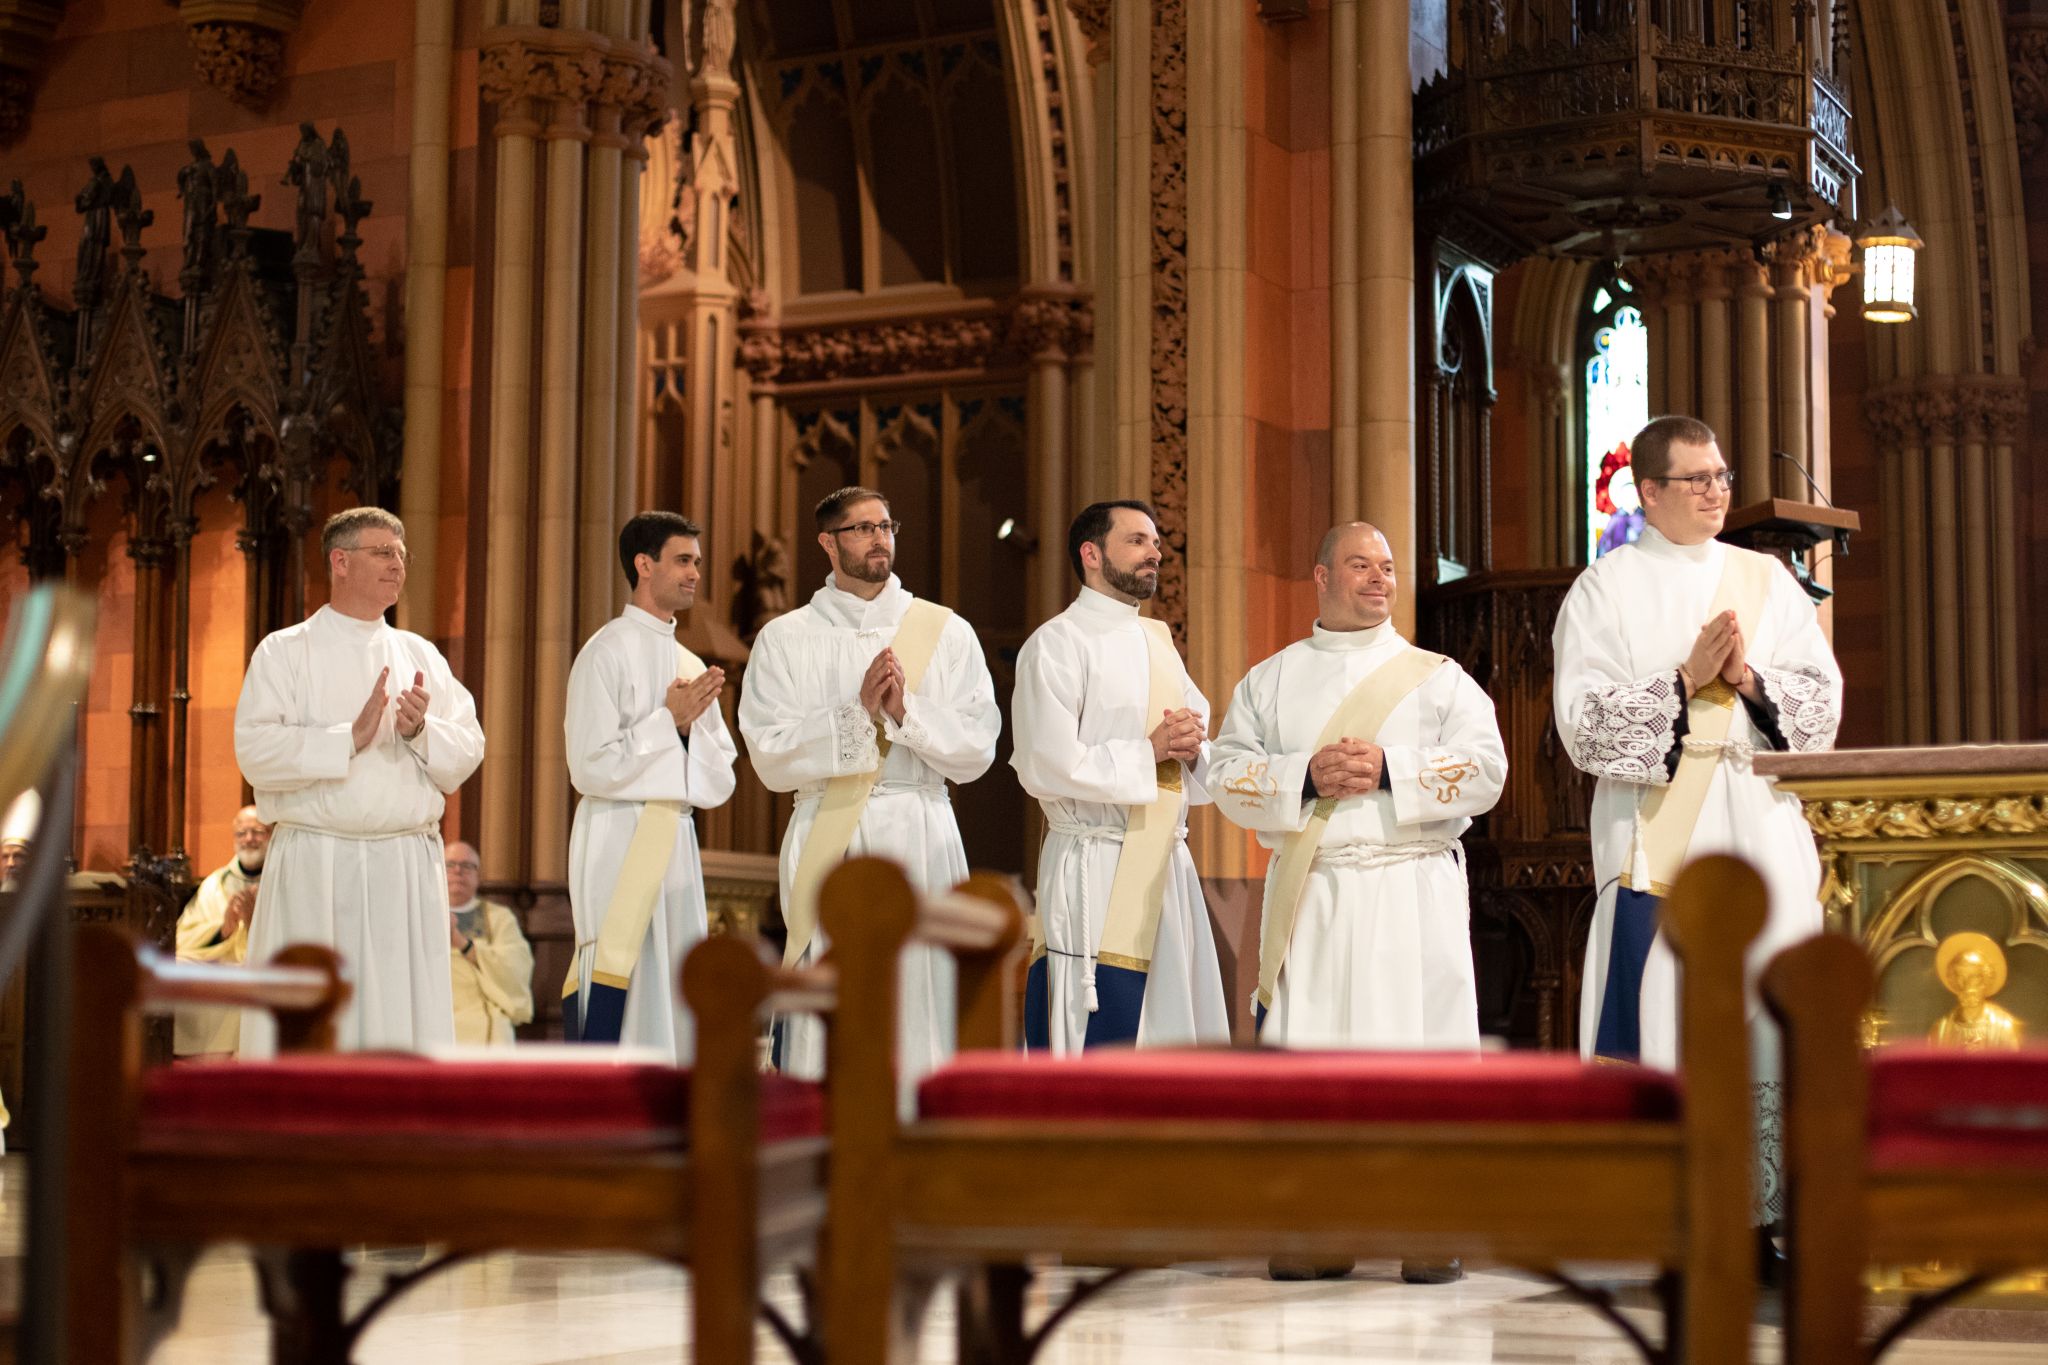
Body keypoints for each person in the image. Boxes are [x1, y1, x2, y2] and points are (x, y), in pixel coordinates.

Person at [1553, 414, 1841, 1235]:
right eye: (1698, 479)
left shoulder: (1769, 580)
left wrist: (1747, 677)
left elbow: (1820, 708)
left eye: (1721, 475)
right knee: (1664, 1005)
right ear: (1649, 492)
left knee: (1770, 995)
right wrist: (1684, 678)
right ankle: (1668, 1212)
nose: (1718, 491)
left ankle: (1770, 1209)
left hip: (1760, 820)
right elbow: (1583, 726)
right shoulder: (1604, 588)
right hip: (1660, 834)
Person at [738, 487, 999, 1093]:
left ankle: (922, 1121)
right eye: (861, 529)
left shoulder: (944, 629)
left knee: (922, 980)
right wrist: (856, 713)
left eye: (886, 525)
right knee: (832, 980)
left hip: (920, 826)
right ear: (827, 542)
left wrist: (905, 712)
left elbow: (979, 746)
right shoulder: (785, 637)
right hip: (827, 828)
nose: (880, 538)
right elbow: (770, 755)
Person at [1210, 522, 1507, 1050]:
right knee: (1313, 1058)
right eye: (1362, 565)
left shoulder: (1438, 677)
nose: (1380, 579)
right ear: (1322, 576)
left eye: (1388, 569)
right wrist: (1305, 776)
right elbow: (1226, 774)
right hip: (1314, 892)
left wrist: (1390, 770)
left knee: (1415, 1058)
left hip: (1412, 893)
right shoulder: (1270, 678)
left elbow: (1487, 770)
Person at [234, 507, 486, 1054]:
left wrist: (420, 730)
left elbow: (470, 747)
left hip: (403, 867)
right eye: (383, 553)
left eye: (402, 555)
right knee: (315, 1025)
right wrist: (346, 738)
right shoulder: (284, 651)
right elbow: (253, 751)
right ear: (340, 561)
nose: (398, 565)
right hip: (316, 864)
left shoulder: (420, 655)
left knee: (400, 1025)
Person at [1011, 500, 1228, 1053]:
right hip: (1094, 862)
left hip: (1163, 863)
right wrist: (1149, 750)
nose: (1154, 552)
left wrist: (1191, 747)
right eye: (1137, 541)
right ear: (1091, 554)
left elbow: (1197, 744)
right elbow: (1045, 765)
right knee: (1102, 1018)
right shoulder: (1055, 645)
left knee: (1172, 1018)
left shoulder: (1158, 645)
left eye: (1156, 543)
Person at [564, 512, 736, 1060]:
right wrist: (669, 724)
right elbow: (588, 766)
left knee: (674, 976)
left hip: (675, 841)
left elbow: (722, 772)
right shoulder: (604, 652)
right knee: (628, 972)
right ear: (644, 564)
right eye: (683, 560)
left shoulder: (688, 661)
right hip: (618, 835)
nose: (694, 574)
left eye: (697, 563)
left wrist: (684, 730)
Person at [172, 806, 271, 1059]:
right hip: (222, 962)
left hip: (264, 964)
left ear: (271, 836)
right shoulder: (216, 883)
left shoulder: (282, 880)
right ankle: (202, 1059)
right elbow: (184, 937)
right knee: (179, 967)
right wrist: (223, 930)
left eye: (258, 832)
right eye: (242, 833)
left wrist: (254, 926)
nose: (249, 839)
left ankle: (244, 1057)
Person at [443, 840, 535, 1048]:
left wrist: (463, 944)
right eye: (450, 864)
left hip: (482, 1017)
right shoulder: (420, 912)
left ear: (478, 876)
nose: (458, 871)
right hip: (436, 1010)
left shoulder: (497, 917)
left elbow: (516, 965)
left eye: (467, 866)